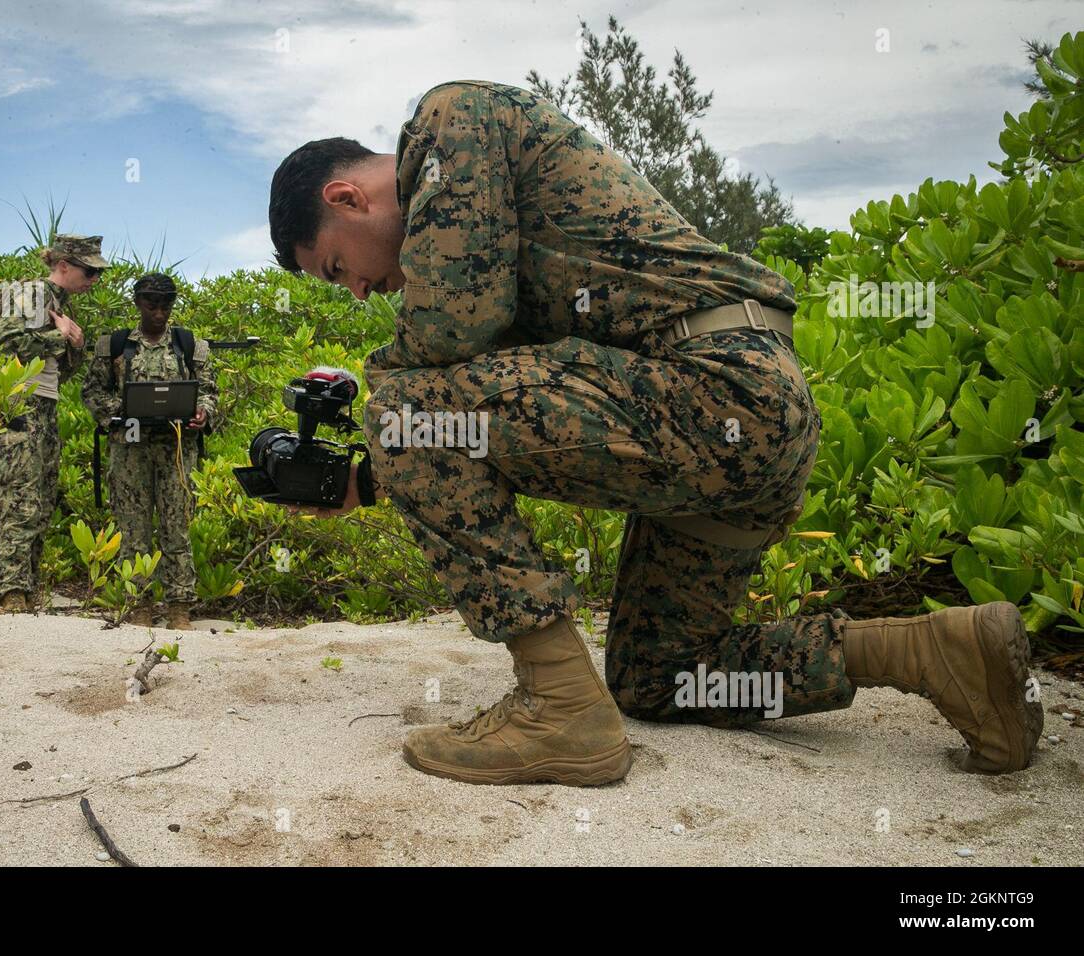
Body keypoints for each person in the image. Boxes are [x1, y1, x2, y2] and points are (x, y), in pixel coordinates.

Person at [265, 80, 1043, 785]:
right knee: (665, 674)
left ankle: (558, 708)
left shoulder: (449, 118)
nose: (363, 290)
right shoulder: (481, 237)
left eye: (338, 269)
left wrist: (391, 429)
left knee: (403, 403)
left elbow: (451, 333)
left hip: (716, 393)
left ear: (346, 197)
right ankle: (933, 653)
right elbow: (500, 398)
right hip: (743, 422)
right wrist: (369, 480)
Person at [81, 272, 217, 630]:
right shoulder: (115, 345)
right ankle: (139, 607)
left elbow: (208, 391)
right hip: (130, 449)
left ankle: (179, 609)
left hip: (176, 448)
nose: (159, 312)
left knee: (177, 528)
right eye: (151, 303)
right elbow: (93, 392)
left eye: (166, 304)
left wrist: (203, 412)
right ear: (137, 302)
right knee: (133, 530)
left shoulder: (189, 345)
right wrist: (119, 411)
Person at [0, 234, 107, 613]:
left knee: (40, 499)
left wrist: (76, 343)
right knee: (19, 498)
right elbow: (4, 341)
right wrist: (61, 335)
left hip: (42, 408)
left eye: (98, 273)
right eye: (89, 271)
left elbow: (57, 370)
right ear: (64, 265)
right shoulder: (34, 294)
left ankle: (28, 589)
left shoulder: (56, 303)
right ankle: (11, 595)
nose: (94, 279)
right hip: (17, 409)